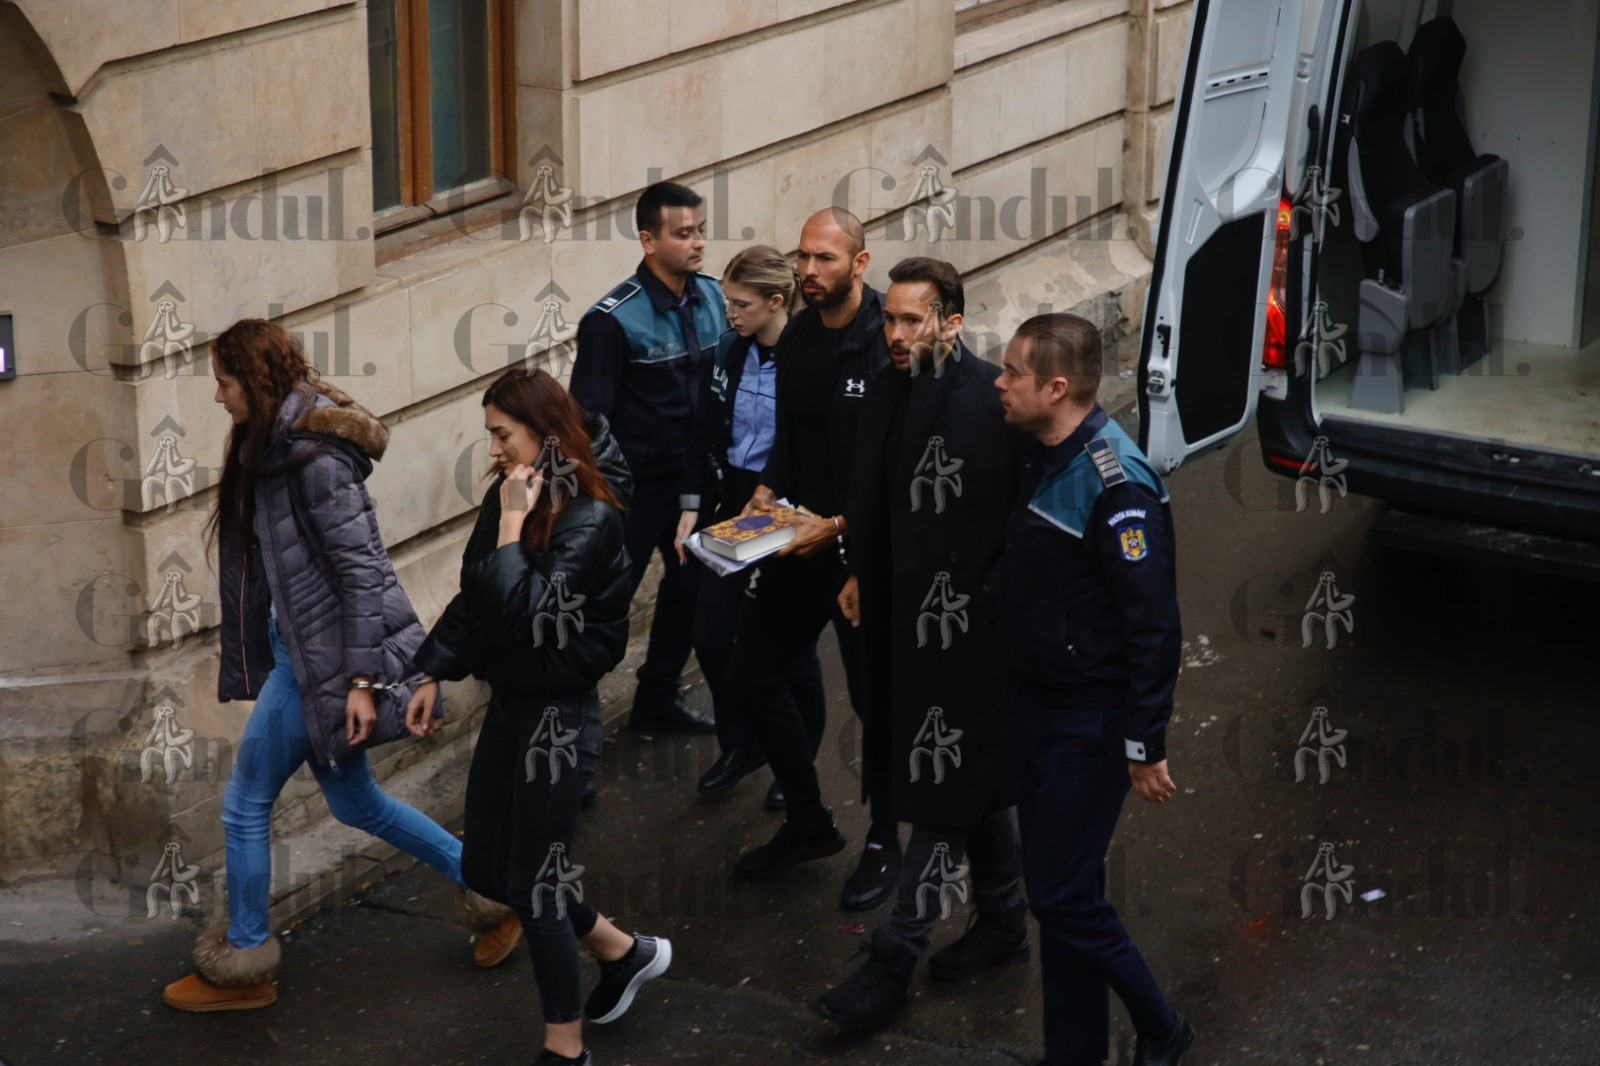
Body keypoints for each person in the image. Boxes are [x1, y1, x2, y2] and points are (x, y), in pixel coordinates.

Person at [163, 319, 512, 1012]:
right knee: (358, 803)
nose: (216, 398)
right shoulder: (267, 445)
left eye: (223, 384)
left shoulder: (315, 458)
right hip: (308, 652)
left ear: (254, 383)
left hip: (318, 664)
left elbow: (362, 574)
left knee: (243, 805)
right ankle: (493, 894)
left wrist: (360, 682)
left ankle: (246, 960)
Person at [405, 367, 672, 1066]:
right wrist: (433, 667)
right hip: (515, 704)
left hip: (559, 716)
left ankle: (565, 1049)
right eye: (491, 434)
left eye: (502, 434)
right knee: (490, 870)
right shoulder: (512, 496)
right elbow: (478, 596)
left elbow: (524, 611)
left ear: (545, 436)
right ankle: (622, 950)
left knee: (539, 886)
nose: (493, 449)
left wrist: (514, 521)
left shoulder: (592, 518)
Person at [816, 258, 1030, 1028]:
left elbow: (1014, 528)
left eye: (913, 320)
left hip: (971, 638)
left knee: (942, 789)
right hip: (899, 630)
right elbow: (869, 492)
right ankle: (1005, 920)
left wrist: (990, 610)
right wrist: (858, 570)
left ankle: (894, 956)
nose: (896, 334)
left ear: (950, 321)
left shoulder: (988, 401)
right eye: (891, 319)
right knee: (963, 781)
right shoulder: (885, 385)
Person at [994, 314, 1195, 1066]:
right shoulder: (1039, 452)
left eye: (1012, 372)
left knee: (1062, 896)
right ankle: (1073, 1052)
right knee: (1061, 890)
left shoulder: (1118, 484)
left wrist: (1144, 743)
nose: (999, 383)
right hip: (1035, 707)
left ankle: (1162, 1026)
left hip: (1090, 724)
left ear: (1055, 387)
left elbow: (1153, 628)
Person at [728, 208, 902, 911]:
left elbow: (899, 463)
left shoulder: (890, 340)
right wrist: (765, 491)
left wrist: (839, 526)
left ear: (860, 264)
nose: (810, 271)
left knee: (875, 702)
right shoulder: (797, 335)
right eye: (804, 258)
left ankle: (887, 843)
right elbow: (792, 433)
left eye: (826, 259)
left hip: (866, 551)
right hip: (798, 537)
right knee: (752, 673)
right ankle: (807, 822)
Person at [569, 181, 726, 736]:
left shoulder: (717, 299)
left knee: (691, 592)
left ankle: (658, 699)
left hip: (697, 483)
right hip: (633, 493)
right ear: (648, 240)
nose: (698, 243)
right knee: (603, 610)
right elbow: (585, 425)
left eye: (701, 230)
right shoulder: (612, 321)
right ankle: (576, 740)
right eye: (683, 234)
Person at [673, 245, 827, 807]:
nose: (729, 314)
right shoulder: (728, 351)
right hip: (734, 499)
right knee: (712, 635)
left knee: (790, 647)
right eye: (725, 302)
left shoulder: (811, 357)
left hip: (789, 504)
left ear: (776, 302)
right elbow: (701, 427)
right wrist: (693, 504)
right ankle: (743, 742)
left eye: (740, 305)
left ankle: (798, 758)